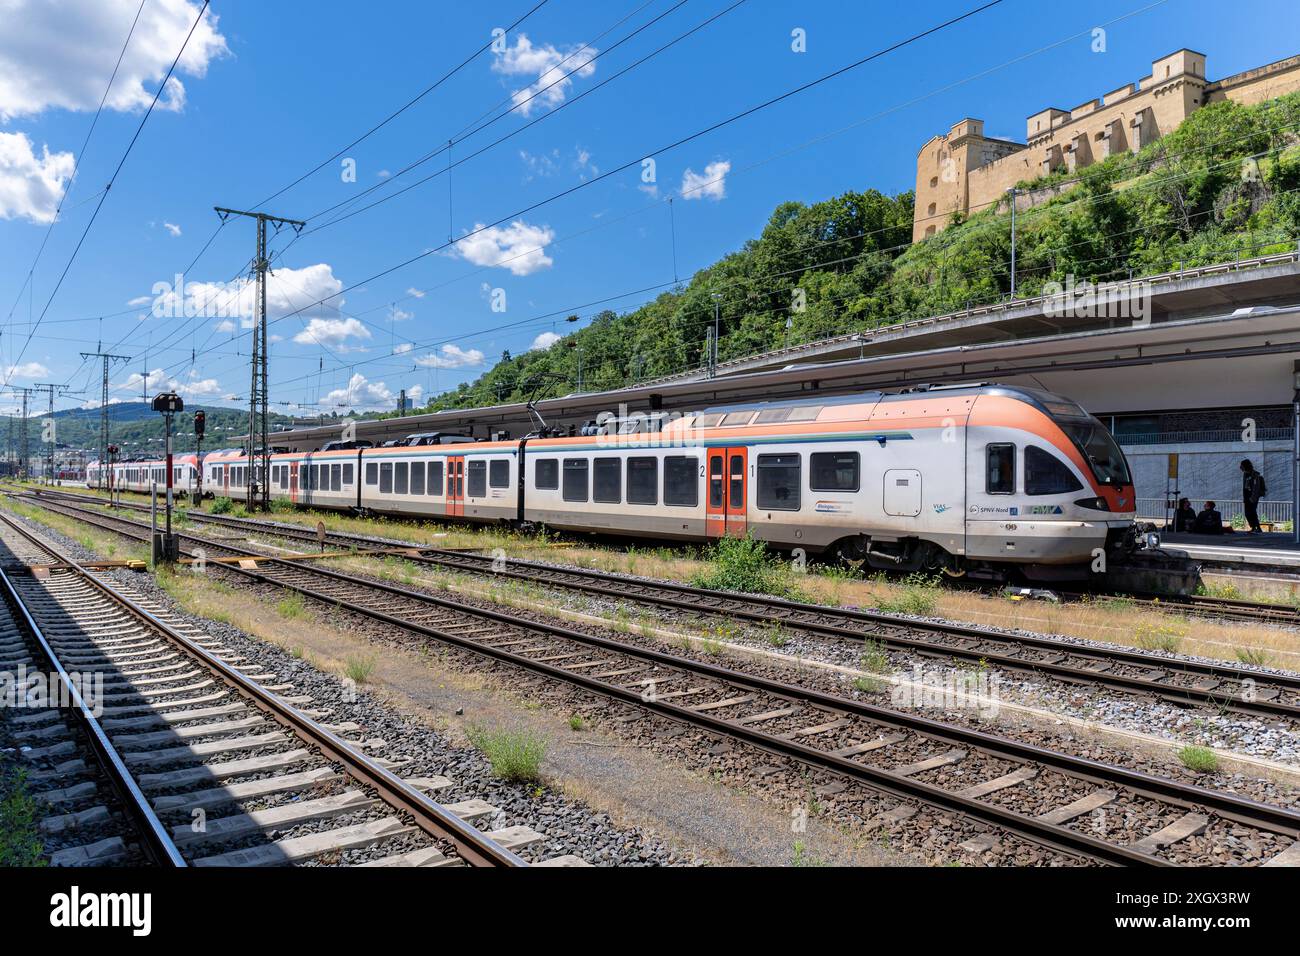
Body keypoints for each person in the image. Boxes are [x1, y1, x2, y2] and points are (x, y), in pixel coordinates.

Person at [1240, 459, 1266, 534]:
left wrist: (1253, 497)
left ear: (1245, 466)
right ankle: (1255, 527)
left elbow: (1256, 487)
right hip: (1246, 496)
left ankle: (1256, 528)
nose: (1240, 467)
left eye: (1241, 465)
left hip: (1253, 497)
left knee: (1252, 512)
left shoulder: (1254, 475)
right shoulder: (1245, 474)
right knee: (1248, 513)